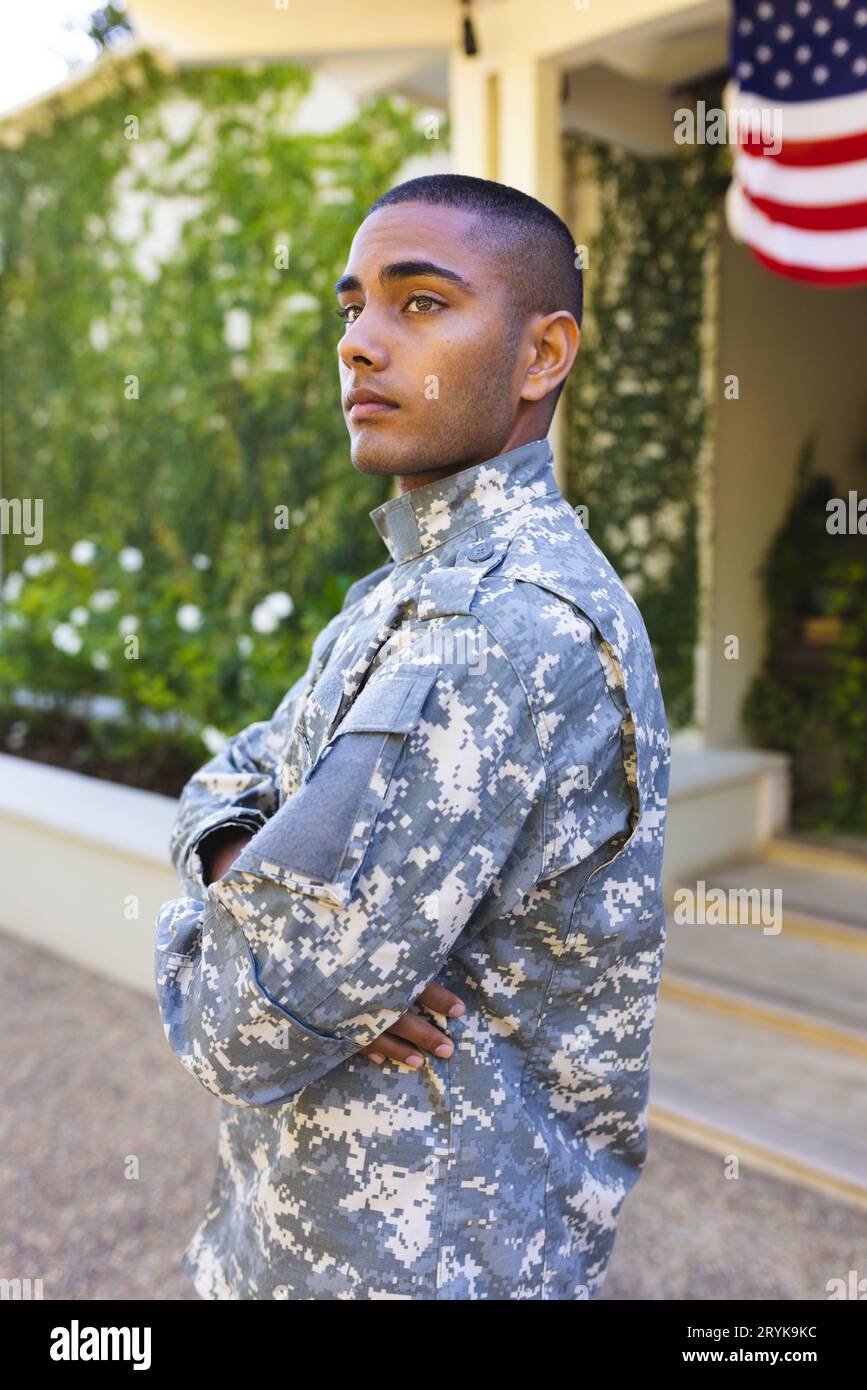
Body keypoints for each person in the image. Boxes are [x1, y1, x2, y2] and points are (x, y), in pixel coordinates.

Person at [155, 173, 671, 1300]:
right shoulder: (413, 589)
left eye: (421, 303)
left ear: (543, 356)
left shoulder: (498, 624)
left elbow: (244, 1029)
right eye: (353, 309)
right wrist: (238, 860)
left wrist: (216, 934)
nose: (360, 344)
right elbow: (239, 762)